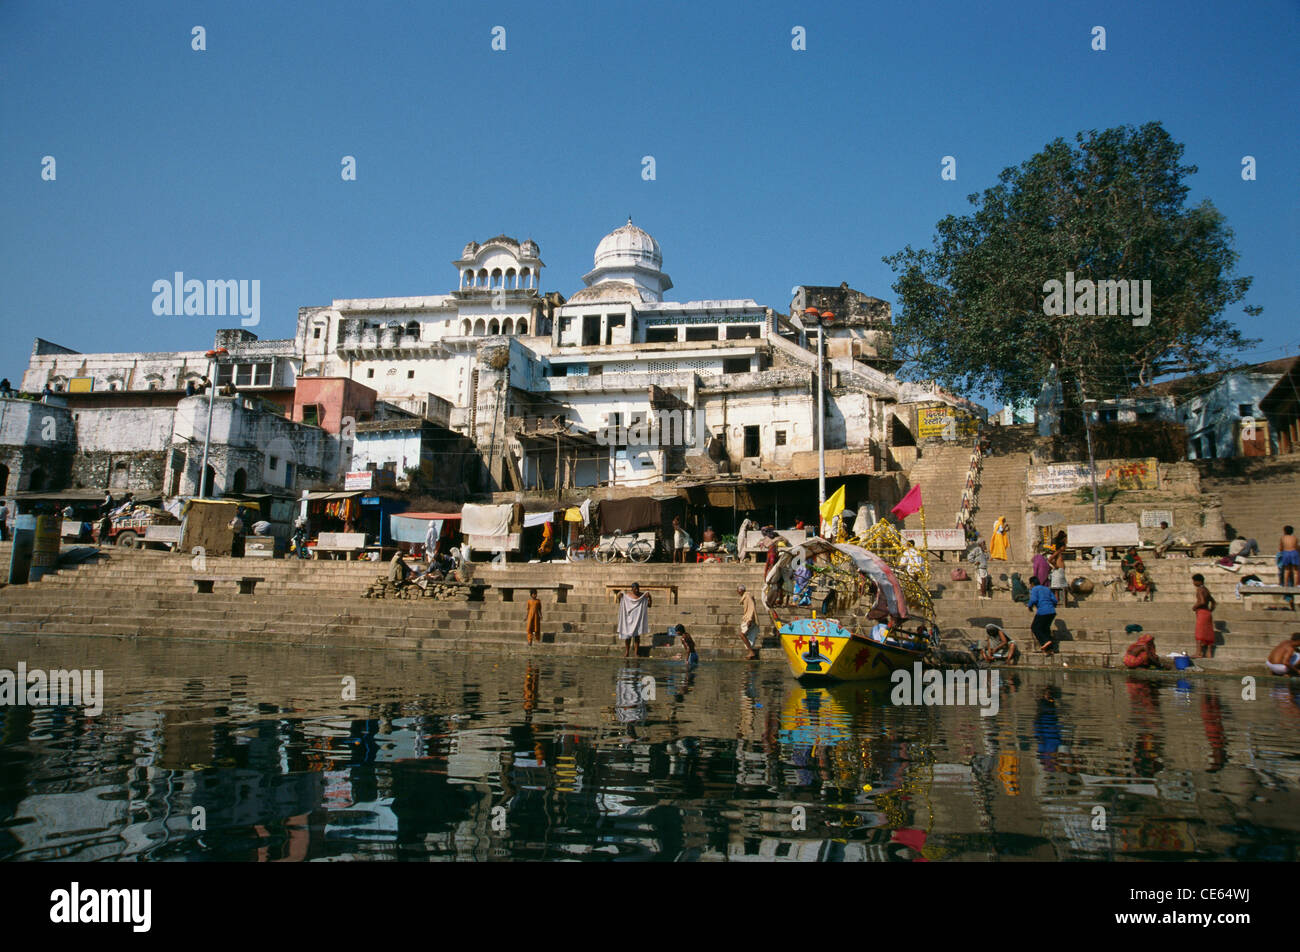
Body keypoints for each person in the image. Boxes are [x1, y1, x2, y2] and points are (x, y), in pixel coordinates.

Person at [617, 582, 652, 657]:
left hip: (637, 618)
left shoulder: (642, 596)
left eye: (638, 588)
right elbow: (621, 603)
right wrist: (619, 597)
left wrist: (650, 597)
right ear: (632, 589)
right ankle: (627, 652)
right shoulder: (627, 596)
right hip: (628, 618)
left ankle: (636, 653)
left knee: (637, 636)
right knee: (627, 636)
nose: (637, 590)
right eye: (635, 589)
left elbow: (649, 605)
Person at [1027, 575, 1058, 653]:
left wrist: (1030, 606)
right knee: (1045, 628)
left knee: (1035, 627)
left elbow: (1033, 599)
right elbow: (1055, 600)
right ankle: (1050, 649)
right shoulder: (1047, 589)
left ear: (1032, 583)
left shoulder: (1034, 589)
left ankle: (1045, 641)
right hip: (1052, 612)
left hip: (1043, 611)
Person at [1192, 573, 1217, 658]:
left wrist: (1194, 607)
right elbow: (1214, 603)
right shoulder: (1206, 590)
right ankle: (1209, 653)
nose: (1193, 583)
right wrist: (1210, 610)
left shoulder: (1199, 589)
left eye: (1194, 581)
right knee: (1208, 633)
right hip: (1207, 613)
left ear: (1198, 581)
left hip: (1202, 612)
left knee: (1200, 633)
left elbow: (1202, 601)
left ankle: (1199, 653)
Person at [737, 584, 760, 659]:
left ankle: (751, 652)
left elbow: (751, 607)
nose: (738, 592)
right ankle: (750, 653)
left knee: (741, 634)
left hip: (749, 618)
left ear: (741, 590)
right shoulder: (748, 595)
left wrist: (749, 619)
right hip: (749, 618)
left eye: (738, 591)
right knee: (749, 635)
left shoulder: (747, 596)